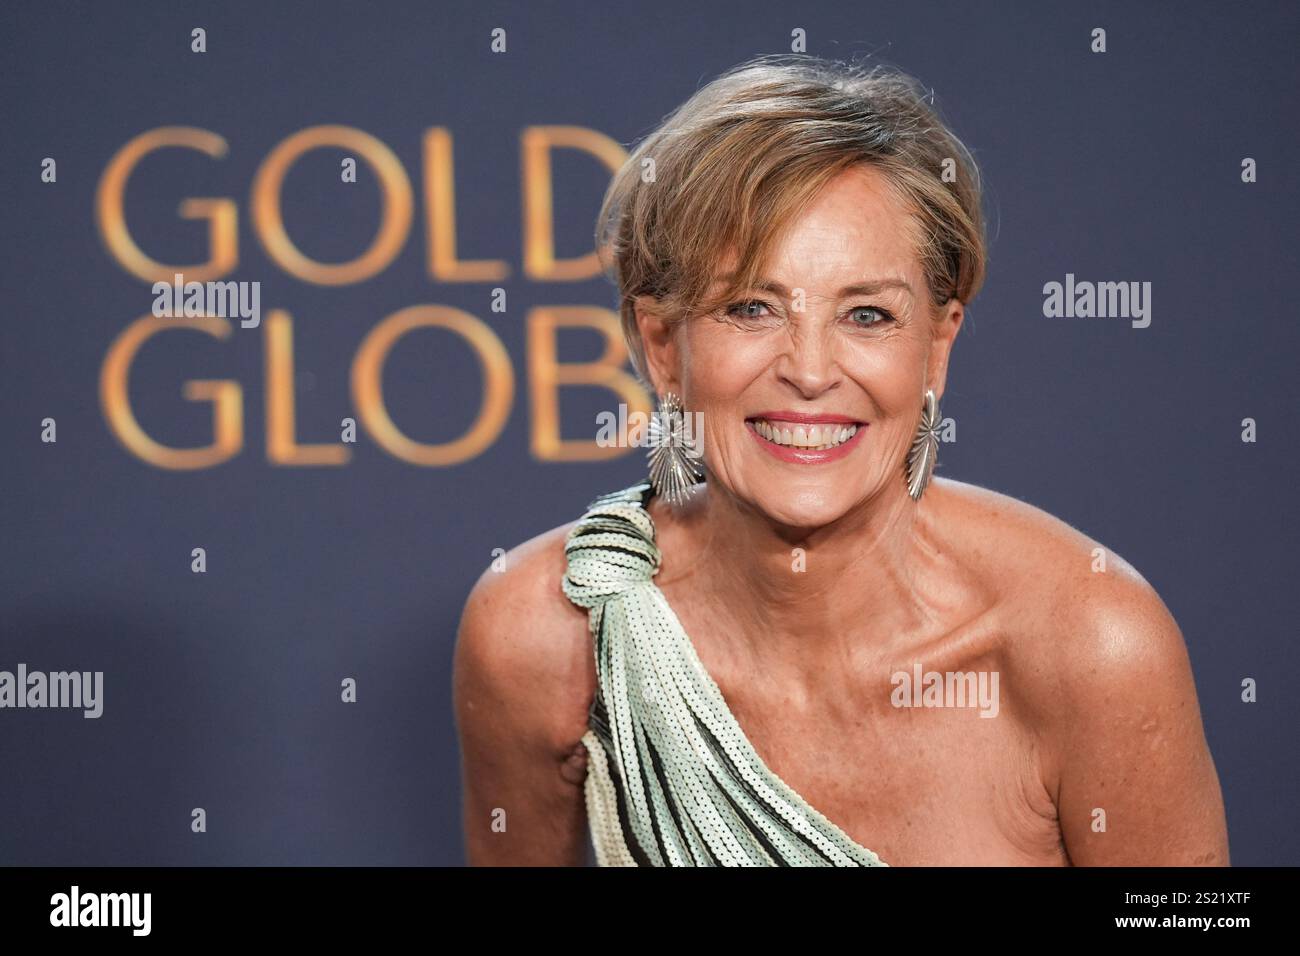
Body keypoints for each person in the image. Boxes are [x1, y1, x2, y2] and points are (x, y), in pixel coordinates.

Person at [453, 53, 1229, 866]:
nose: (812, 369)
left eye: (867, 314)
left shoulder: (1092, 646)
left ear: (936, 347)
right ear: (662, 348)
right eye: (750, 307)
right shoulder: (548, 634)